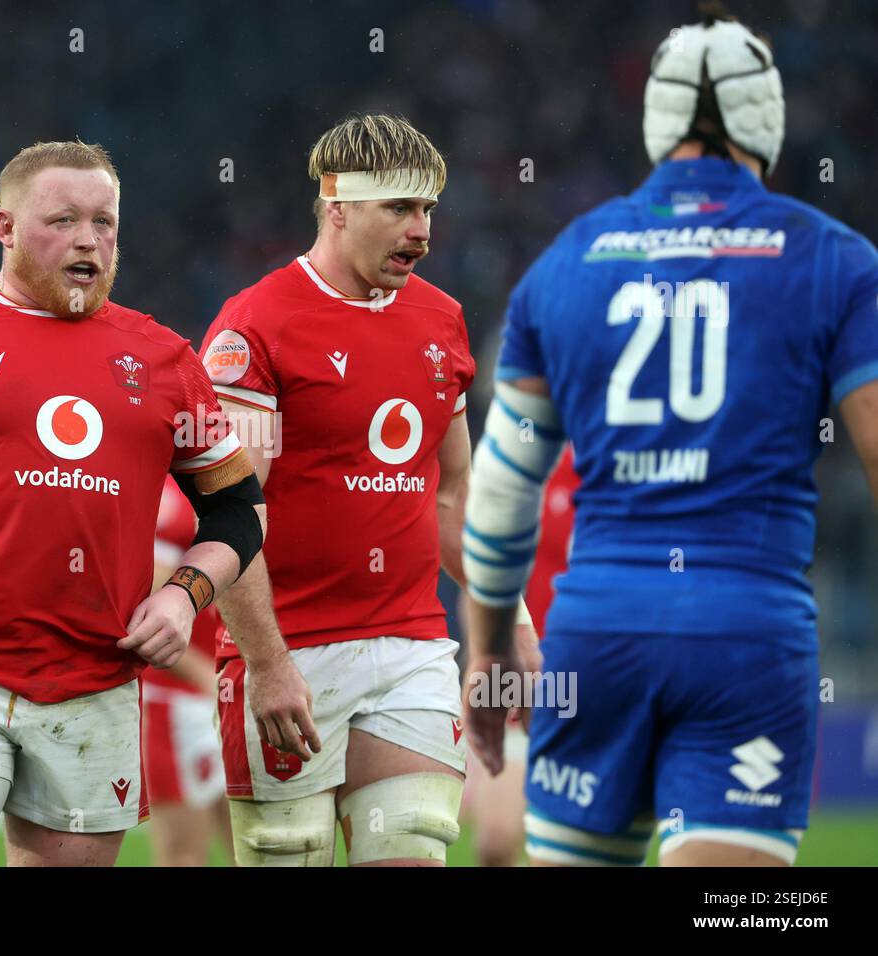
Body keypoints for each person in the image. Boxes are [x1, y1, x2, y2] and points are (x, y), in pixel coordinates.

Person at [0, 140, 313, 867]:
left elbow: (238, 510)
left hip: (95, 685)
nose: (89, 240)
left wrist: (183, 597)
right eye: (63, 219)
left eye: (105, 223)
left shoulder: (165, 361)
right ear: (4, 227)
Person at [462, 6, 878, 867]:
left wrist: (491, 657)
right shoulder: (834, 259)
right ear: (770, 117)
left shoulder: (565, 261)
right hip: (747, 634)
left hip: (596, 633)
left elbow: (502, 496)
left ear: (654, 118)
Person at [201, 112, 535, 867]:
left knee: (411, 846)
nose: (421, 232)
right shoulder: (254, 326)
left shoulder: (440, 319)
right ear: (336, 205)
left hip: (410, 647)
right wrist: (266, 662)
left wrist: (507, 620)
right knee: (293, 851)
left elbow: (454, 497)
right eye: (399, 209)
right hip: (289, 649)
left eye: (428, 211)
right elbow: (229, 512)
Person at [462, 446, 577, 867]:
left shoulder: (623, 464)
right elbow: (479, 572)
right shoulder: (524, 460)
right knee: (494, 841)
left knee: (569, 846)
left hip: (591, 670)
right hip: (522, 672)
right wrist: (481, 656)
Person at [141, 476, 233, 866]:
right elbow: (150, 608)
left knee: (261, 847)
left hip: (235, 686)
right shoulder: (166, 492)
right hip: (181, 701)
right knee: (184, 856)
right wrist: (206, 680)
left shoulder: (238, 476)